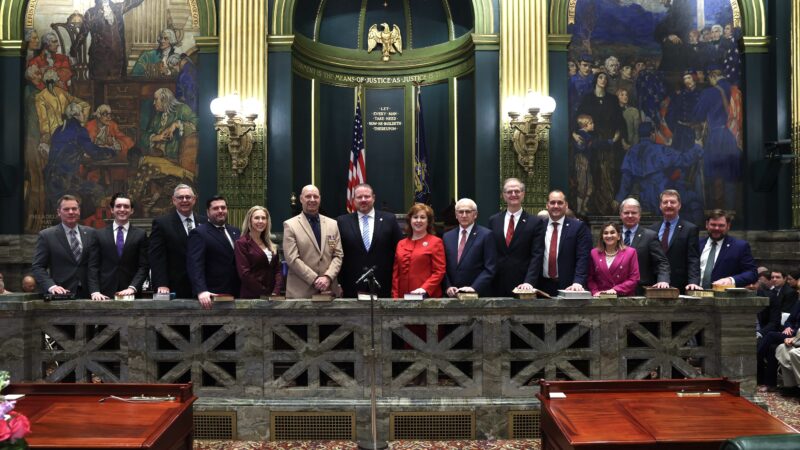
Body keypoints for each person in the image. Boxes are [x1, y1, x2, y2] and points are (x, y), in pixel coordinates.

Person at [43, 102, 116, 214]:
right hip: (65, 183)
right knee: (99, 190)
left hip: (50, 181)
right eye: (82, 111)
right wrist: (111, 152)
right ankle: (97, 223)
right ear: (77, 115)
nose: (84, 114)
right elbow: (95, 152)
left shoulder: (59, 130)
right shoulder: (79, 131)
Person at [336, 183, 402, 298]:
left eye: (367, 196)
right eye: (359, 197)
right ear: (353, 200)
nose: (363, 200)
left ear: (374, 198)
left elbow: (399, 250)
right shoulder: (342, 222)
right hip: (352, 284)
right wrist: (338, 283)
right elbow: (337, 254)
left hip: (383, 283)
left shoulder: (389, 219)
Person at [283, 185, 343, 298]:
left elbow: (338, 255)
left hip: (329, 290)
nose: (312, 200)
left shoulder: (332, 224)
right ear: (301, 199)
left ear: (320, 199)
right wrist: (315, 279)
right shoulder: (290, 225)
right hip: (301, 292)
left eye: (315, 196)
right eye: (308, 196)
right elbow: (292, 258)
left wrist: (328, 277)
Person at [31, 194, 97, 298]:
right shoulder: (47, 235)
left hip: (89, 294)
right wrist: (51, 286)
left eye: (74, 209)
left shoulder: (91, 233)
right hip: (61, 293)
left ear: (79, 211)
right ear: (59, 212)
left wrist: (96, 290)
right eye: (66, 209)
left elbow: (95, 264)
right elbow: (38, 266)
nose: (71, 212)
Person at [487, 178, 544, 297]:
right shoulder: (494, 220)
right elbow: (490, 253)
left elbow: (537, 255)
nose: (513, 194)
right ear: (504, 195)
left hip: (523, 284)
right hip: (496, 282)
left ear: (523, 194)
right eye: (509, 192)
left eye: (517, 191)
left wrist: (529, 282)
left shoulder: (535, 222)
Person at [148, 184, 207, 299]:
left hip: (203, 286)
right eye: (180, 198)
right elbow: (157, 257)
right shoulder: (162, 224)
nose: (184, 200)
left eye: (188, 197)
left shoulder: (205, 222)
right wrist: (162, 284)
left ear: (194, 200)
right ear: (174, 200)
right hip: (174, 286)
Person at [88, 193, 149, 300]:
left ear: (132, 210)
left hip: (131, 293)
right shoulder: (99, 234)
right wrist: (95, 291)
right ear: (112, 210)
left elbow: (143, 266)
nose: (122, 209)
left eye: (126, 206)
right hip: (103, 294)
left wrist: (133, 287)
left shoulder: (140, 235)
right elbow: (93, 266)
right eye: (118, 206)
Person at [187, 195, 241, 309]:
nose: (220, 211)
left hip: (237, 293)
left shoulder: (235, 231)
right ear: (208, 212)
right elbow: (195, 265)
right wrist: (201, 290)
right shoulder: (199, 233)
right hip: (212, 295)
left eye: (223, 207)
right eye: (215, 208)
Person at [536, 191, 592, 297]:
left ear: (566, 205)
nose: (556, 206)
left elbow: (583, 257)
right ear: (547, 205)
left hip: (570, 287)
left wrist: (578, 282)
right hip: (541, 286)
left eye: (560, 203)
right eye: (552, 202)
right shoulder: (539, 226)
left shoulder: (578, 227)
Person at [72, 0, 145, 79]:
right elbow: (82, 33)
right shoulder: (91, 13)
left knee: (116, 86)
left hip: (117, 57)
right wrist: (73, 50)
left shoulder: (118, 8)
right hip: (99, 58)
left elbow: (134, 2)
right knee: (99, 86)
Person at [442, 198, 496, 297]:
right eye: (460, 212)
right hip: (452, 294)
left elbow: (490, 268)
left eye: (468, 212)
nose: (464, 215)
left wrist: (474, 287)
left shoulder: (486, 235)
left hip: (477, 294)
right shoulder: (447, 237)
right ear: (456, 215)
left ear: (475, 214)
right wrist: (448, 286)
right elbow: (442, 266)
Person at [650, 189, 701, 293]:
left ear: (679, 205)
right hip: (653, 283)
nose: (669, 205)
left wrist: (694, 282)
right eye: (665, 202)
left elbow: (693, 259)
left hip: (679, 285)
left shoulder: (690, 229)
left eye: (672, 202)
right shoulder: (651, 229)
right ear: (660, 206)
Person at [392, 203, 445, 298]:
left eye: (423, 217)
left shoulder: (435, 242)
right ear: (410, 220)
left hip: (426, 297)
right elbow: (396, 274)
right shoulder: (401, 243)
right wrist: (395, 297)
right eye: (415, 217)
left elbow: (439, 271)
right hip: (402, 298)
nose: (418, 220)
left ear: (428, 221)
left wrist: (424, 289)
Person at [618, 198, 670, 294]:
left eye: (634, 213)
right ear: (620, 215)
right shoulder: (613, 235)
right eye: (626, 212)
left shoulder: (650, 236)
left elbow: (661, 262)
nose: (630, 215)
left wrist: (663, 280)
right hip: (615, 289)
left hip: (641, 290)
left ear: (639, 215)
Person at [699, 209, 757, 289]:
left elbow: (752, 273)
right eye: (713, 224)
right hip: (695, 295)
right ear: (707, 225)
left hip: (724, 297)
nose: (716, 228)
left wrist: (731, 280)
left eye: (721, 225)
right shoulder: (696, 244)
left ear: (728, 226)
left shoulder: (739, 246)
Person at [235, 205, 283, 298]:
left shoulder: (270, 244)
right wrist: (263, 292)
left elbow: (277, 270)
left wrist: (275, 292)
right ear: (250, 220)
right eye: (257, 218)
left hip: (272, 297)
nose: (261, 221)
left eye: (263, 218)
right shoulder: (242, 243)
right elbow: (245, 274)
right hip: (251, 297)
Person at [587, 222, 640, 297]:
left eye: (612, 232)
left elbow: (634, 278)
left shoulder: (630, 252)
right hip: (600, 298)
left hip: (623, 298)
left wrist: (615, 289)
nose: (609, 235)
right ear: (602, 237)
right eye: (605, 233)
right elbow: (590, 278)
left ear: (618, 236)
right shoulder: (594, 253)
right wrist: (595, 291)